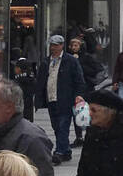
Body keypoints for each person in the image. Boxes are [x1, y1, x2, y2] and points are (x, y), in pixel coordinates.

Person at [35, 35, 86, 164]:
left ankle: (59, 152)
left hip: (66, 99)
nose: (53, 47)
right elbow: (41, 81)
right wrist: (38, 98)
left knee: (63, 125)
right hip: (51, 99)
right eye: (52, 45)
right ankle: (66, 150)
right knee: (56, 126)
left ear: (62, 45)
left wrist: (79, 95)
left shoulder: (71, 61)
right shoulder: (46, 62)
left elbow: (79, 80)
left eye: (56, 45)